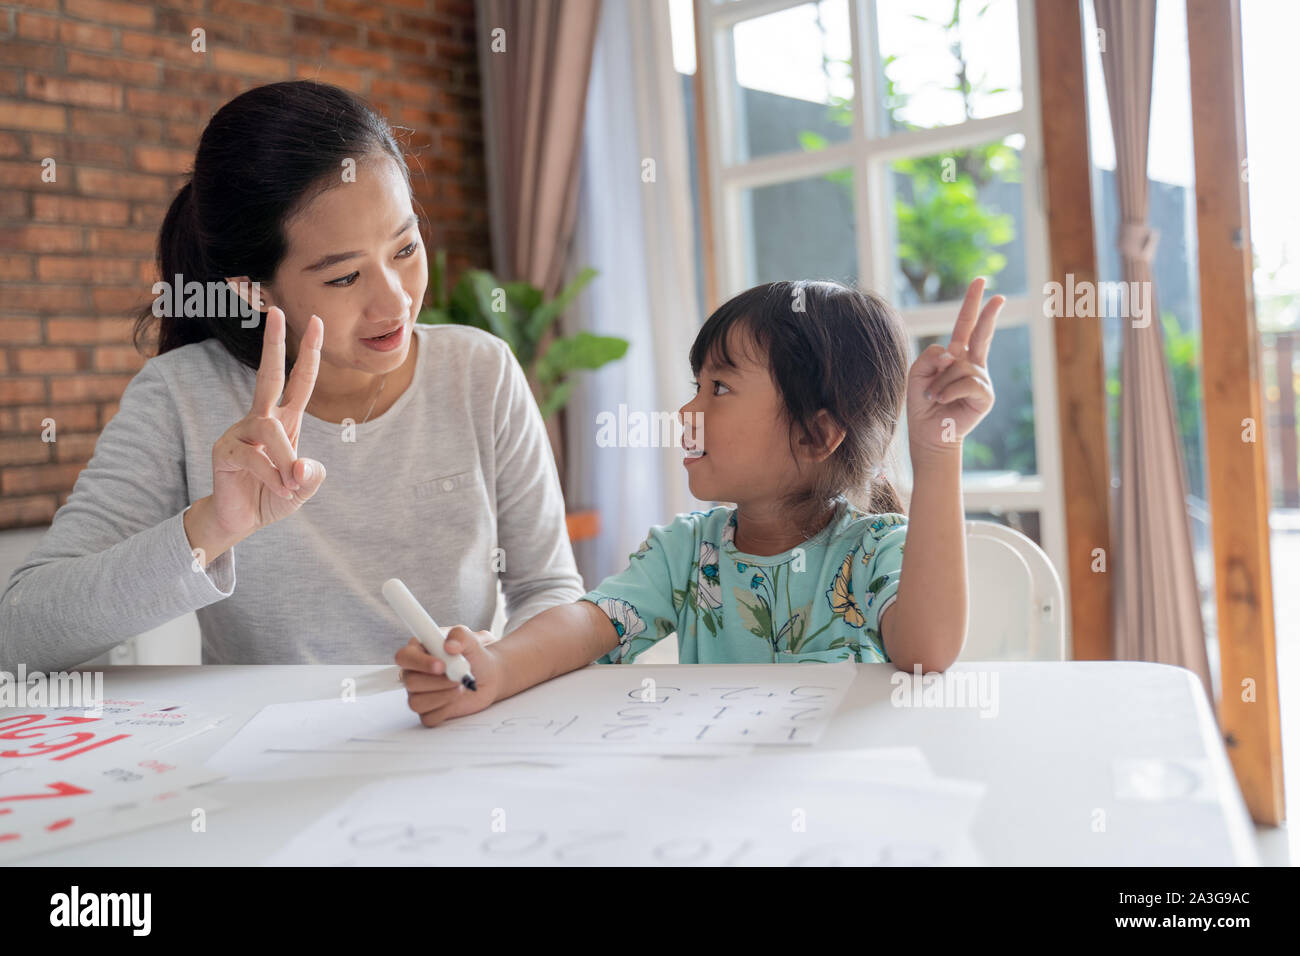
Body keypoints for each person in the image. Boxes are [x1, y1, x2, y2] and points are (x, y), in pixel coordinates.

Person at [0, 81, 583, 671]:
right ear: (252, 290)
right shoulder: (182, 396)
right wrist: (212, 526)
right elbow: (21, 635)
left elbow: (549, 589)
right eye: (344, 278)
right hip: (260, 759)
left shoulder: (479, 372)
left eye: (405, 249)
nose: (395, 303)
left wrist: (499, 662)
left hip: (456, 735)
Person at [397, 276, 1004, 725]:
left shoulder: (871, 551)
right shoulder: (688, 552)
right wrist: (496, 666)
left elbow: (928, 652)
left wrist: (938, 452)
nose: (688, 411)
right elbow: (588, 624)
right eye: (696, 386)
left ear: (816, 434)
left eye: (719, 387)